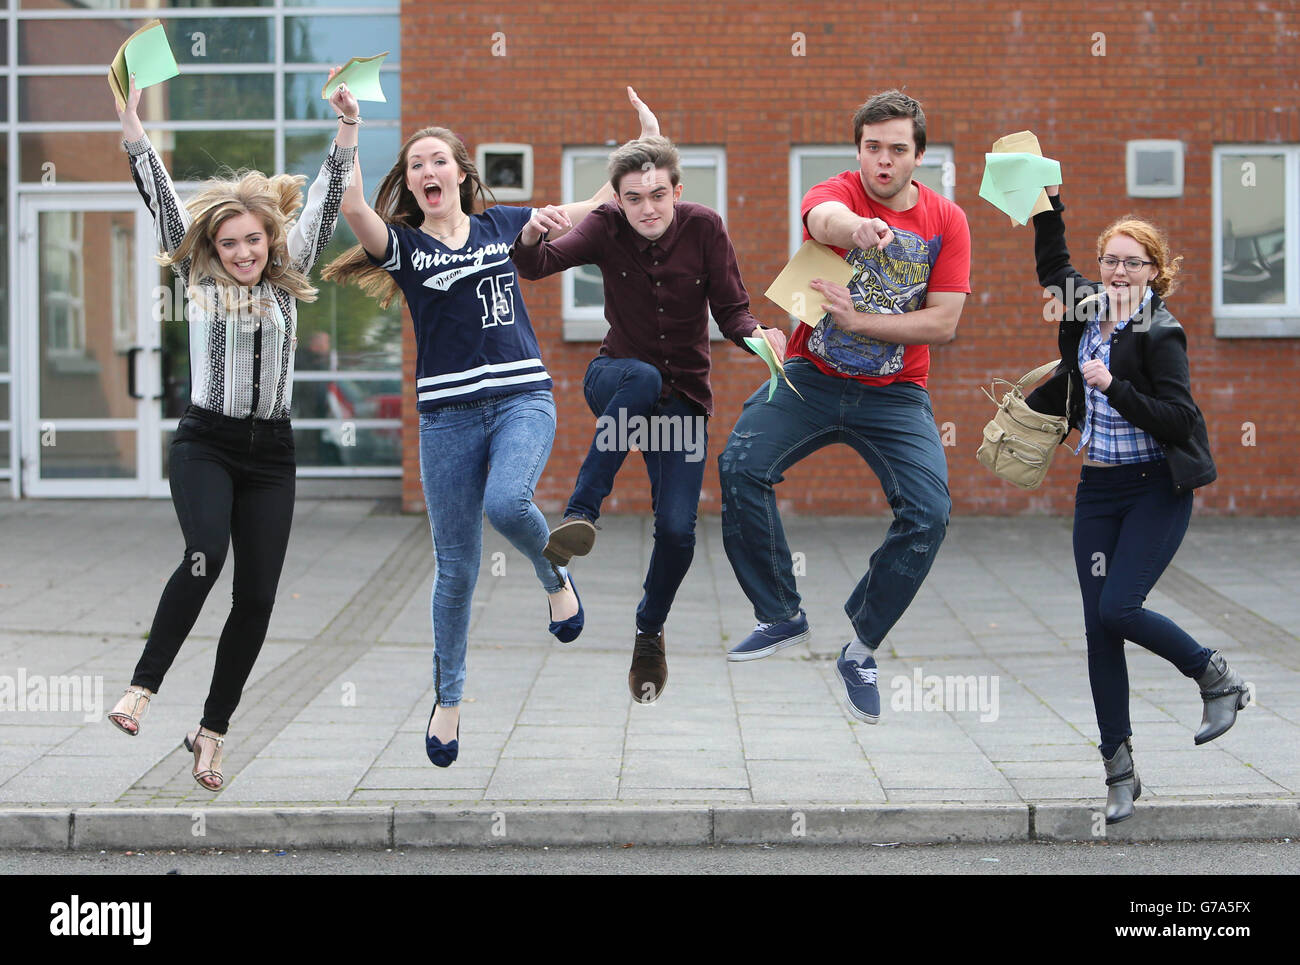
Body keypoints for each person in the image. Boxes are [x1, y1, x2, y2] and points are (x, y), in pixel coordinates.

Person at [323, 88, 657, 764]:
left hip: (520, 400)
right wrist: (350, 125)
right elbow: (352, 203)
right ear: (413, 184)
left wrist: (642, 144)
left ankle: (554, 573)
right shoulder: (407, 247)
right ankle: (449, 700)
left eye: (437, 159)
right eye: (416, 164)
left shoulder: (503, 224)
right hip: (445, 417)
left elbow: (596, 202)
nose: (426, 170)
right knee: (456, 568)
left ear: (460, 175)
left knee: (508, 501)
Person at [105, 75, 358, 791]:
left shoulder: (286, 277)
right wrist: (131, 125)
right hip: (206, 443)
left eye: (254, 240)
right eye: (231, 242)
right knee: (203, 553)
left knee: (258, 598)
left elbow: (328, 200)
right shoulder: (197, 273)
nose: (244, 252)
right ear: (213, 245)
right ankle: (142, 688)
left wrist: (347, 129)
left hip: (272, 456)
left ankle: (211, 732)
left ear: (269, 240)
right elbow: (157, 192)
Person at [716, 89, 970, 725]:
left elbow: (942, 325)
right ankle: (780, 613)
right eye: (872, 148)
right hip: (812, 374)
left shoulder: (946, 221)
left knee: (930, 511)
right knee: (739, 464)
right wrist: (858, 230)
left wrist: (864, 320)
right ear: (858, 150)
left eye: (897, 150)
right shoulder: (838, 193)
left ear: (919, 156)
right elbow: (824, 219)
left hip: (897, 392)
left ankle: (861, 645)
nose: (883, 161)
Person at [511, 132, 786, 704]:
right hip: (617, 381)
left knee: (679, 530)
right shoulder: (606, 227)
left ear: (677, 192)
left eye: (658, 195)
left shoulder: (705, 227)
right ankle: (581, 514)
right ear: (617, 200)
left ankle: (648, 630)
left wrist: (762, 340)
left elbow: (732, 311)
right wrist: (532, 232)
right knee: (641, 377)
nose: (648, 209)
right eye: (634, 198)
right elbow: (539, 265)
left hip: (682, 401)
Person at [1024, 178, 1250, 824]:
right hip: (1098, 491)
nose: (1119, 270)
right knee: (1100, 629)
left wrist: (1114, 385)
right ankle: (1118, 771)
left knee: (1121, 606)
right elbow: (1050, 263)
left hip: (1156, 490)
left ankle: (1214, 675)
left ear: (1154, 271)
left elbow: (1180, 418)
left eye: (1132, 261)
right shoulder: (1087, 305)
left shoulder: (1160, 331)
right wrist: (1048, 203)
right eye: (1111, 259)